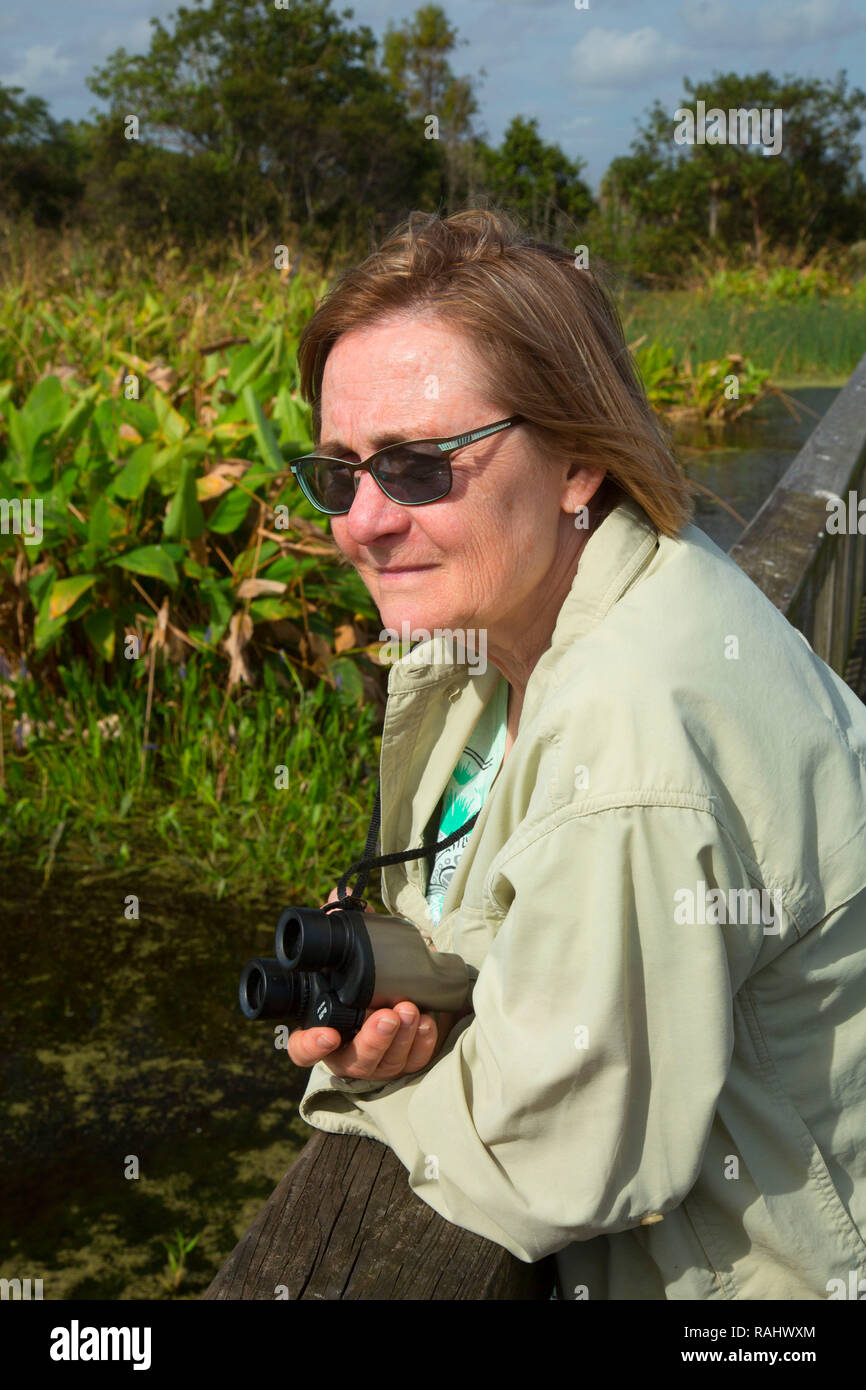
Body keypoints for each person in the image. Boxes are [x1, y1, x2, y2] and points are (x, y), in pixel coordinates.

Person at [285, 207, 866, 1300]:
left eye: (416, 466)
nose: (363, 519)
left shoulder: (632, 731)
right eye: (339, 470)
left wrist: (353, 1095)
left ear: (576, 462)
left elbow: (556, 1161)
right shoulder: (505, 617)